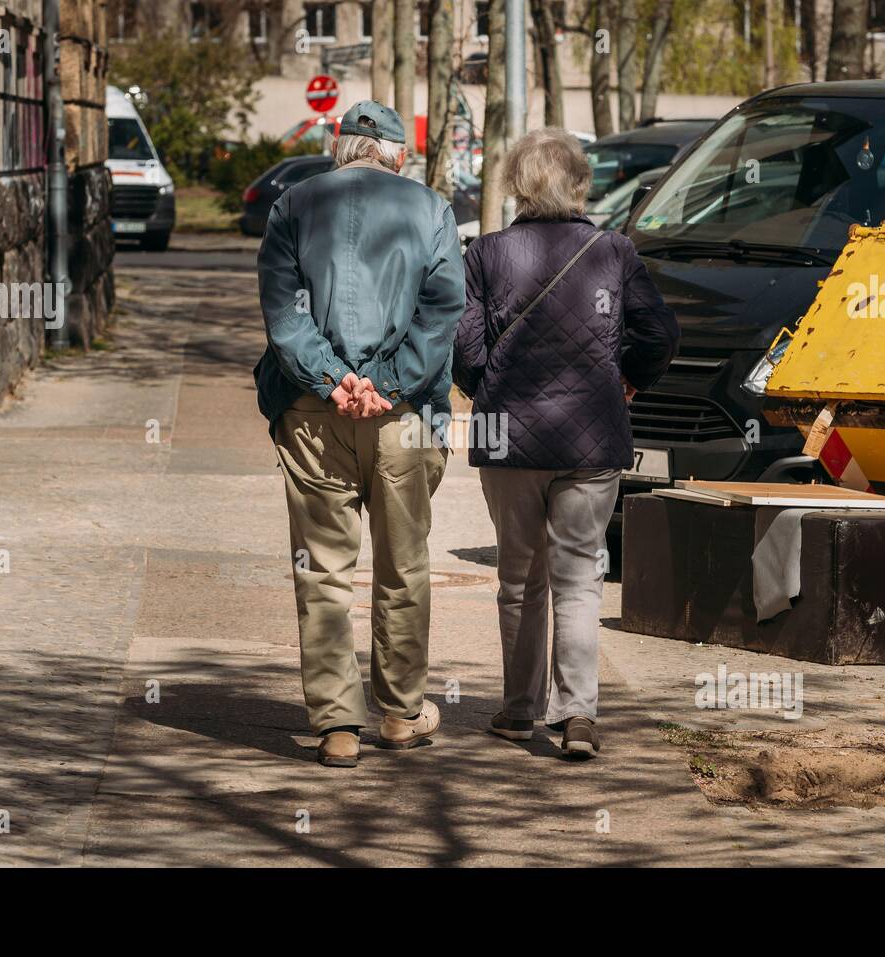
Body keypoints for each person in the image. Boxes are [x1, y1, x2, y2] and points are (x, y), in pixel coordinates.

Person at [453, 128, 679, 758]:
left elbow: (463, 347)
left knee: (519, 577)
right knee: (580, 577)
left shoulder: (486, 254)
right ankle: (577, 717)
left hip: (509, 440)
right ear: (581, 184)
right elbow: (659, 334)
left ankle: (519, 711)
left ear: (519, 186)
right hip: (593, 436)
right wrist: (626, 378)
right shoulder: (614, 252)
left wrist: (492, 389)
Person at [255, 101, 465, 768]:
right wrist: (386, 382)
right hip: (399, 415)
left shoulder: (292, 206)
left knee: (321, 571)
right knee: (403, 566)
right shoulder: (430, 210)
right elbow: (441, 312)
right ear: (396, 153)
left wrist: (332, 378)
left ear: (337, 145)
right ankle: (401, 713)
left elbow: (283, 312)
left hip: (314, 413)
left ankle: (337, 725)